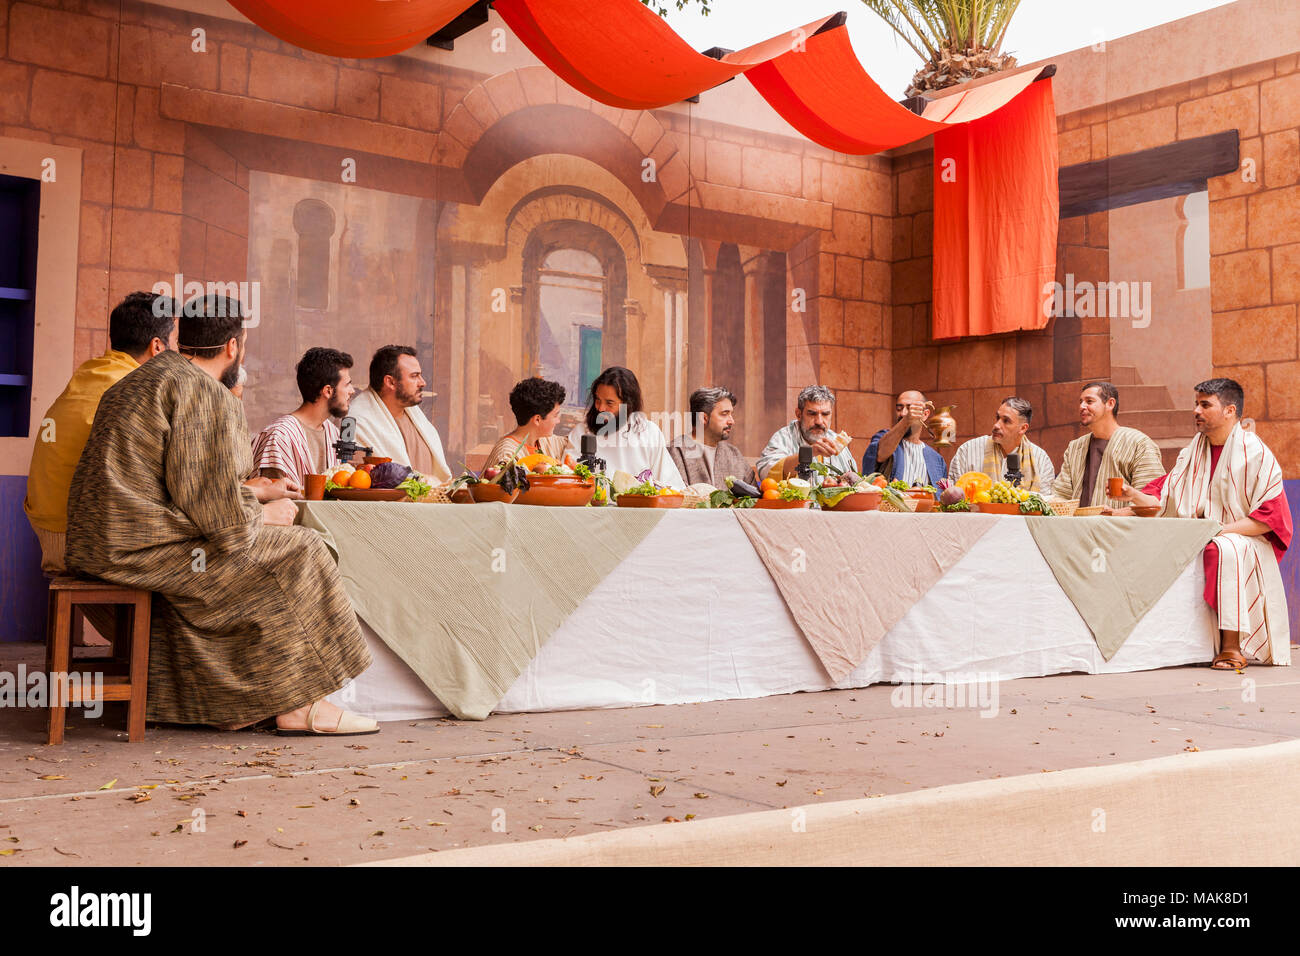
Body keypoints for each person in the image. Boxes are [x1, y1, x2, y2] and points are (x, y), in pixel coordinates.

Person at [64, 294, 376, 735]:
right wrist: (262, 515)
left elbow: (186, 491)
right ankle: (300, 705)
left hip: (100, 543)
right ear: (234, 346)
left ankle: (242, 699)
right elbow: (214, 512)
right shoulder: (204, 392)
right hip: (139, 549)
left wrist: (251, 504)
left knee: (275, 551)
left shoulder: (143, 379)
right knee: (304, 550)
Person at [1118, 379, 1291, 669]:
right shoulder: (1191, 452)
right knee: (1154, 540)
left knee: (1224, 548)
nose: (1196, 410)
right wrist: (1129, 502)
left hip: (1243, 539)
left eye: (1205, 404)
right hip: (1198, 532)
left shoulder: (1256, 454)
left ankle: (1231, 646)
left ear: (1229, 410)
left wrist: (1217, 531)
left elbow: (1269, 519)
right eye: (1196, 404)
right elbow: (1165, 495)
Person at [24, 291, 176, 574]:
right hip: (82, 542)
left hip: (47, 533)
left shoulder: (90, 373)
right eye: (174, 344)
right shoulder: (135, 387)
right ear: (157, 346)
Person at [251, 348, 359, 486]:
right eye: (348, 384)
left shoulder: (334, 433)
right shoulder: (280, 437)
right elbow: (271, 498)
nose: (352, 391)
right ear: (328, 391)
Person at [349, 345, 451, 483]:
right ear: (390, 382)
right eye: (414, 376)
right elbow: (358, 481)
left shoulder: (416, 417)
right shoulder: (358, 421)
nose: (423, 382)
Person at [1053, 382, 1165, 507]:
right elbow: (1060, 497)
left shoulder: (1139, 443)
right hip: (1079, 525)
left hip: (1121, 526)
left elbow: (1151, 501)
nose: (1082, 406)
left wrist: (1116, 514)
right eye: (1080, 402)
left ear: (1110, 404)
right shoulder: (1075, 447)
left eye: (1089, 401)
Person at [568, 366, 684, 486]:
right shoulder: (581, 433)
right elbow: (567, 479)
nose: (601, 408)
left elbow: (670, 484)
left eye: (609, 403)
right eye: (598, 400)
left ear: (628, 404)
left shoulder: (649, 432)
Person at [947, 397, 1055, 492]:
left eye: (1006, 421)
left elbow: (1045, 503)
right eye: (998, 418)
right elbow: (954, 496)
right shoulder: (968, 451)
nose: (996, 425)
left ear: (1023, 428)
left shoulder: (1041, 460)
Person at [755, 385, 855, 483]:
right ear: (799, 414)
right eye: (812, 413)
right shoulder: (783, 437)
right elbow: (766, 473)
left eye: (825, 414)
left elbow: (854, 480)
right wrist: (810, 453)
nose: (819, 421)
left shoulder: (836, 440)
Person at [667, 386, 757, 490]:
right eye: (724, 414)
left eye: (731, 414)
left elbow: (754, 496)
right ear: (703, 418)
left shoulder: (734, 454)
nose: (731, 421)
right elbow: (674, 497)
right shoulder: (676, 451)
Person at [861, 388, 947, 487]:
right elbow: (879, 454)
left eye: (910, 408)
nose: (903, 413)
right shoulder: (884, 438)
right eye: (899, 409)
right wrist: (906, 420)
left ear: (925, 414)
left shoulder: (936, 459)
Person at [485, 377, 571, 467]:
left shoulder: (547, 441)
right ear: (537, 419)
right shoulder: (506, 455)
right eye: (555, 415)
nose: (558, 421)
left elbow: (576, 442)